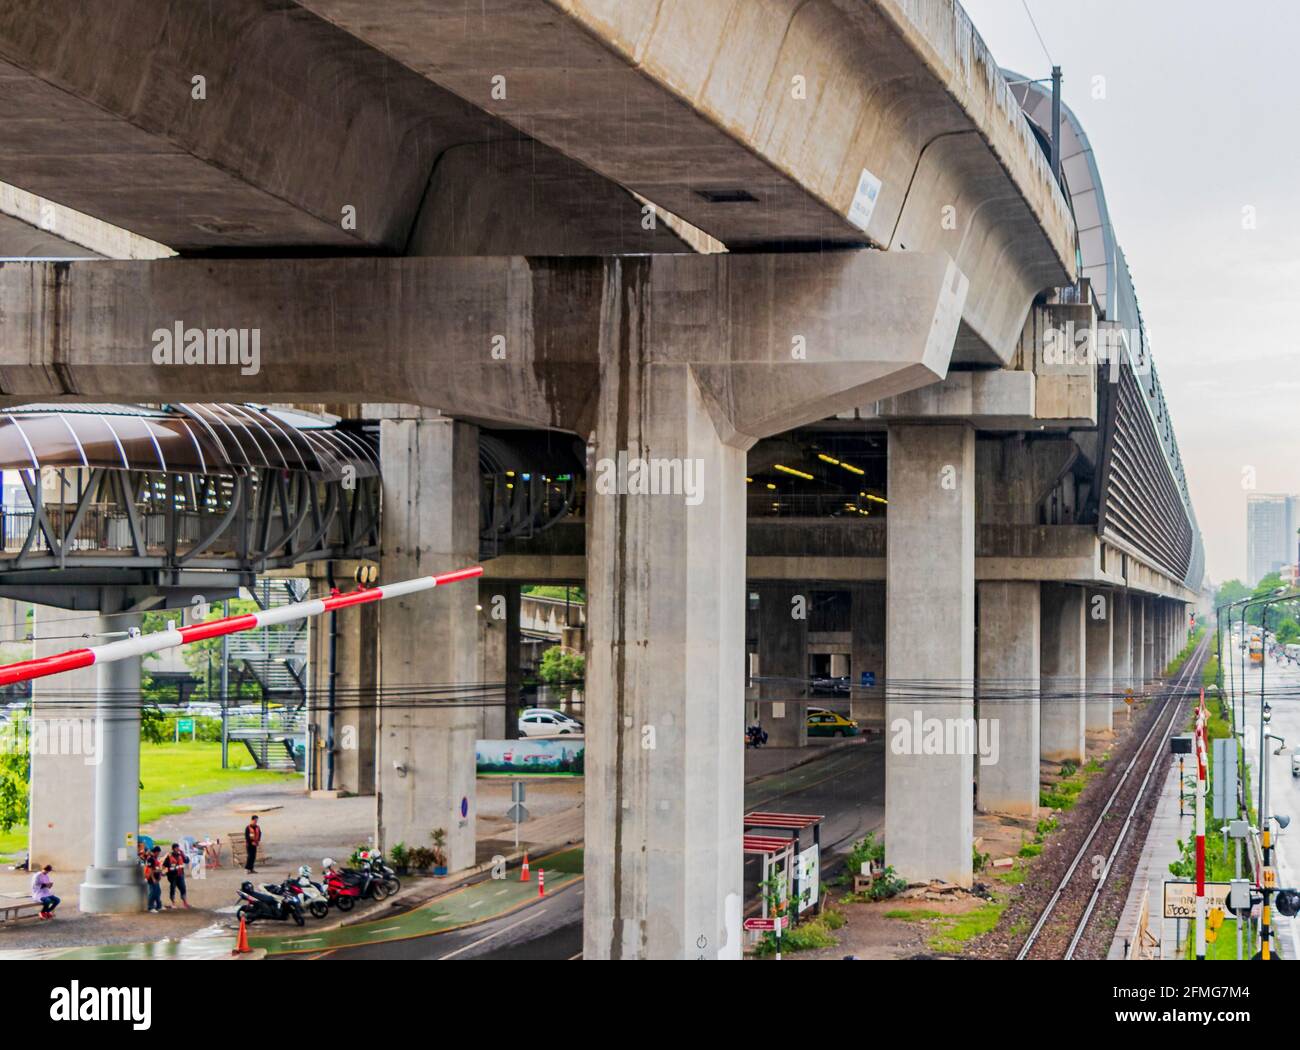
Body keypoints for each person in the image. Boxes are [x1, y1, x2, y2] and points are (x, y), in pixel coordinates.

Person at [163, 842, 191, 909]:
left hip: (180, 874)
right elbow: (164, 865)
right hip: (172, 876)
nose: (178, 849)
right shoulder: (169, 856)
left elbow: (187, 861)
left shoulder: (181, 855)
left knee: (183, 888)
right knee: (173, 888)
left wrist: (183, 854)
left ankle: (185, 903)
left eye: (178, 847)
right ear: (173, 849)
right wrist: (166, 871)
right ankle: (173, 903)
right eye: (176, 848)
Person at [144, 846, 163, 913]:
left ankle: (159, 906)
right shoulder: (150, 859)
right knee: (153, 893)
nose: (159, 854)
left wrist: (159, 875)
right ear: (156, 852)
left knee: (158, 892)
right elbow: (150, 870)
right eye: (158, 852)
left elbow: (157, 868)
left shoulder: (155, 858)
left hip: (156, 878)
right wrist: (153, 878)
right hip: (152, 878)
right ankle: (150, 907)